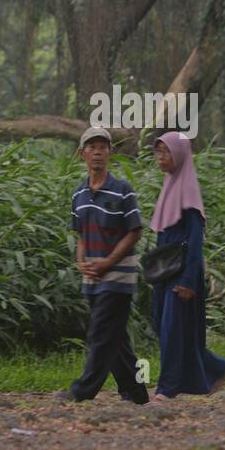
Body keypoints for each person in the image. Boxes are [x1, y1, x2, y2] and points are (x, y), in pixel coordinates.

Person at [55, 126, 151, 404]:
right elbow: (81, 233)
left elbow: (134, 231)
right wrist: (79, 260)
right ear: (81, 154)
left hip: (119, 276)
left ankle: (82, 390)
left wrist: (109, 261)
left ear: (110, 153)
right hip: (92, 276)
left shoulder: (123, 191)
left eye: (103, 147)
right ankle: (135, 392)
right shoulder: (78, 194)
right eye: (92, 147)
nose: (98, 152)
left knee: (100, 331)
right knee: (115, 337)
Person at [148, 131, 225, 400]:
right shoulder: (169, 186)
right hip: (166, 271)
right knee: (167, 327)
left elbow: (195, 243)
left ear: (180, 155)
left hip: (183, 273)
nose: (161, 158)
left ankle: (167, 388)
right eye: (157, 152)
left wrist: (187, 280)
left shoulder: (187, 192)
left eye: (166, 152)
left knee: (173, 330)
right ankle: (215, 369)